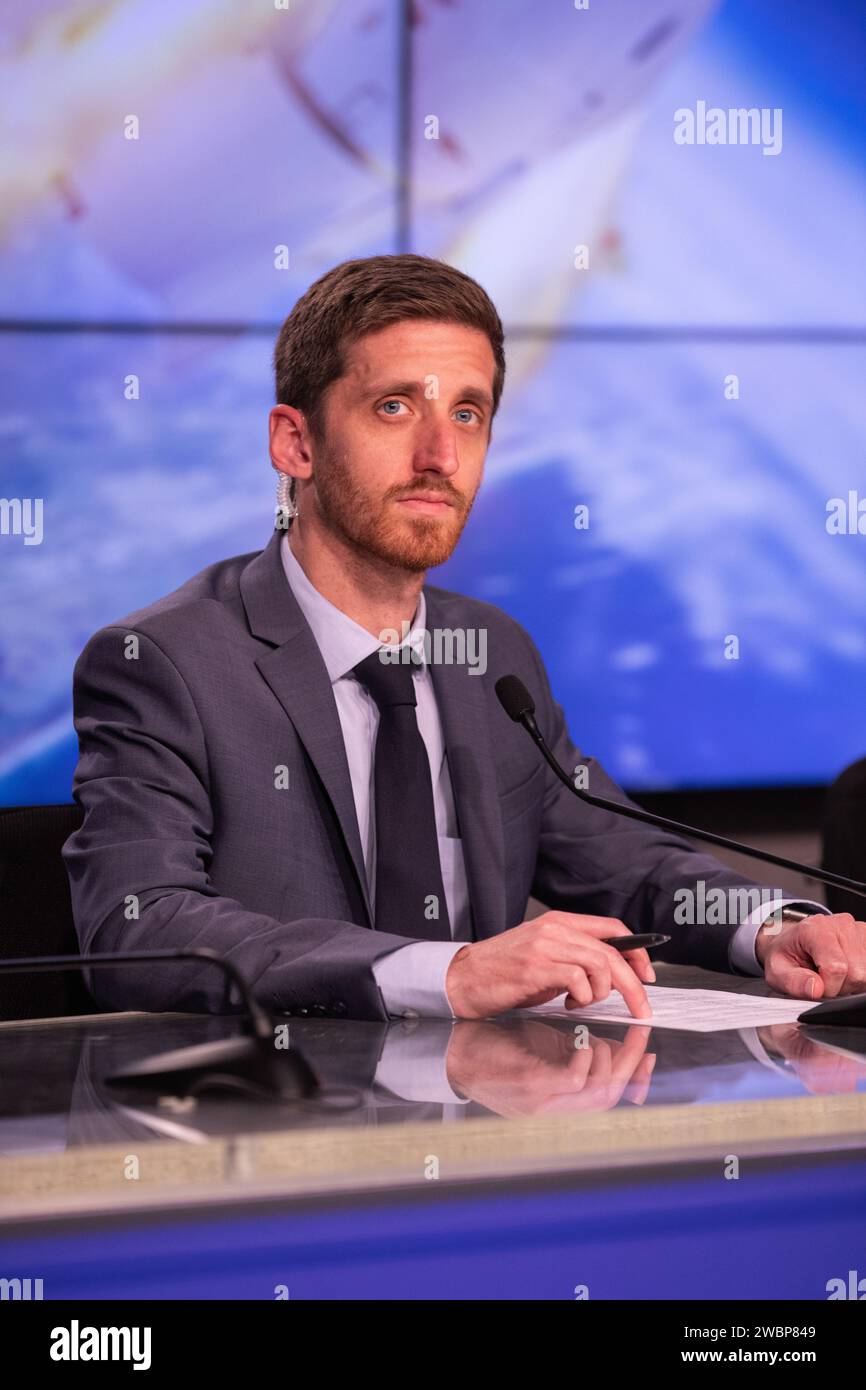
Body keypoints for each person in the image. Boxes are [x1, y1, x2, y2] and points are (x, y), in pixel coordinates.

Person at [63, 254, 866, 1022]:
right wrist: (446, 973)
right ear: (294, 443)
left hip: (484, 1123)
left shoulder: (490, 650)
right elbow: (140, 929)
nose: (439, 456)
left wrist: (770, 924)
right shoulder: (165, 664)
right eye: (395, 406)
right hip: (271, 1129)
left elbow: (622, 856)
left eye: (468, 413)